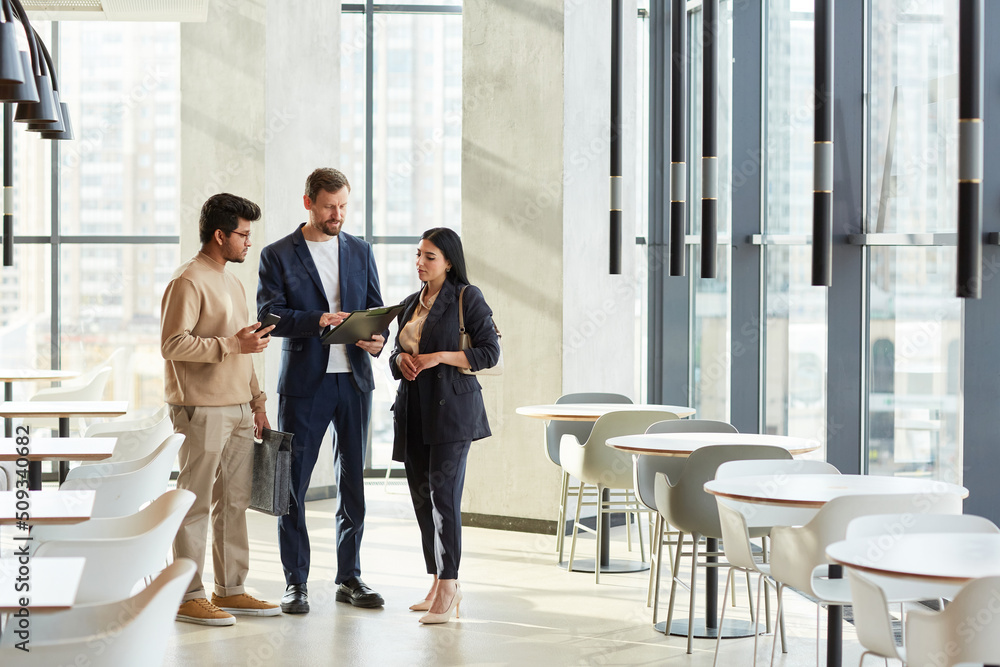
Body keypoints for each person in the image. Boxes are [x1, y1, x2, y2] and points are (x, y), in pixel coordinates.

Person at [257, 168, 387, 614]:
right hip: (304, 385)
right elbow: (270, 315)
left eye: (344, 206)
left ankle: (349, 578)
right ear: (309, 202)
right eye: (330, 206)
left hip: (354, 381)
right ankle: (296, 582)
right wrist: (319, 320)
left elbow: (375, 309)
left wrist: (377, 340)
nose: (338, 215)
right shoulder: (277, 254)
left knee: (353, 485)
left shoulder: (360, 250)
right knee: (291, 485)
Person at [160, 192, 280, 626]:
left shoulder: (233, 281)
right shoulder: (188, 280)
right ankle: (186, 593)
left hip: (239, 409)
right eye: (243, 235)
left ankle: (230, 588)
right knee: (192, 501)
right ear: (219, 235)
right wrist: (232, 344)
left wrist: (258, 403)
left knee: (234, 501)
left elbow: (245, 350)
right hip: (200, 409)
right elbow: (172, 344)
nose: (249, 243)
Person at [389, 227, 501, 624]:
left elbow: (489, 353)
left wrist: (438, 356)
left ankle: (451, 583)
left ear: (449, 261)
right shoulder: (411, 303)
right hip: (413, 411)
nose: (420, 262)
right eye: (418, 254)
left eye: (429, 256)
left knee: (443, 498)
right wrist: (400, 361)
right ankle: (436, 581)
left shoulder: (467, 297)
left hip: (451, 413)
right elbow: (395, 353)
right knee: (422, 500)